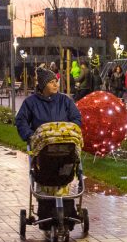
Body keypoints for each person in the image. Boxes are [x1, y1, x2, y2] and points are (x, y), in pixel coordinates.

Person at [15, 67, 83, 230]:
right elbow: (21, 121)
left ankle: (68, 212)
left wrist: (70, 130)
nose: (55, 85)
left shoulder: (65, 101)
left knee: (65, 174)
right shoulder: (31, 103)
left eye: (56, 82)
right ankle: (46, 213)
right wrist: (30, 135)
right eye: (52, 82)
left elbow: (76, 118)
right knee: (45, 176)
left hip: (65, 147)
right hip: (43, 150)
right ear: (43, 84)